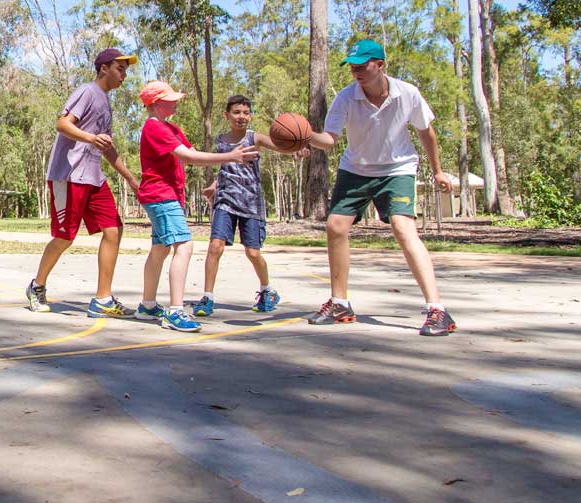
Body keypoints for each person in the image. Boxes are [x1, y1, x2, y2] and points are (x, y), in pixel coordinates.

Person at [305, 39, 458, 337]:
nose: (356, 72)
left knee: (403, 229)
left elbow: (426, 133)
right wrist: (305, 137)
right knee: (335, 226)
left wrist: (438, 171)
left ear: (380, 65)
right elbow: (330, 139)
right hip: (356, 168)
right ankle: (339, 303)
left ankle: (437, 309)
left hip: (397, 168)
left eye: (362, 66)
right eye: (352, 67)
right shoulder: (347, 98)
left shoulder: (407, 93)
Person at [26, 48, 142, 318]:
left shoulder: (106, 103)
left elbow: (108, 149)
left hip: (94, 177)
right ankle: (37, 286)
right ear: (104, 68)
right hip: (69, 175)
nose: (124, 75)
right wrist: (91, 138)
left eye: (125, 70)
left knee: (113, 230)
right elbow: (63, 124)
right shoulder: (87, 92)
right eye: (120, 69)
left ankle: (102, 299)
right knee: (65, 236)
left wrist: (132, 179)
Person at [134, 81, 258, 332]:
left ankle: (147, 305)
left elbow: (193, 152)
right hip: (161, 195)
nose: (176, 101)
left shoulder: (169, 127)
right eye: (171, 98)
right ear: (157, 103)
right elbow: (188, 157)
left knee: (160, 248)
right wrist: (231, 157)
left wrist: (227, 157)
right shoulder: (154, 128)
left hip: (165, 194)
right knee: (185, 245)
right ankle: (175, 312)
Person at [194, 95, 308, 318]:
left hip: (251, 202)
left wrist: (297, 148)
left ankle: (268, 291)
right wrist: (214, 186)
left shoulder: (255, 138)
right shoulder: (221, 141)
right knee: (215, 247)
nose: (242, 117)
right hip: (226, 200)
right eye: (237, 112)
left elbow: (282, 146)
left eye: (246, 113)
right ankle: (207, 297)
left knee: (253, 253)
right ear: (227, 116)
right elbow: (226, 168)